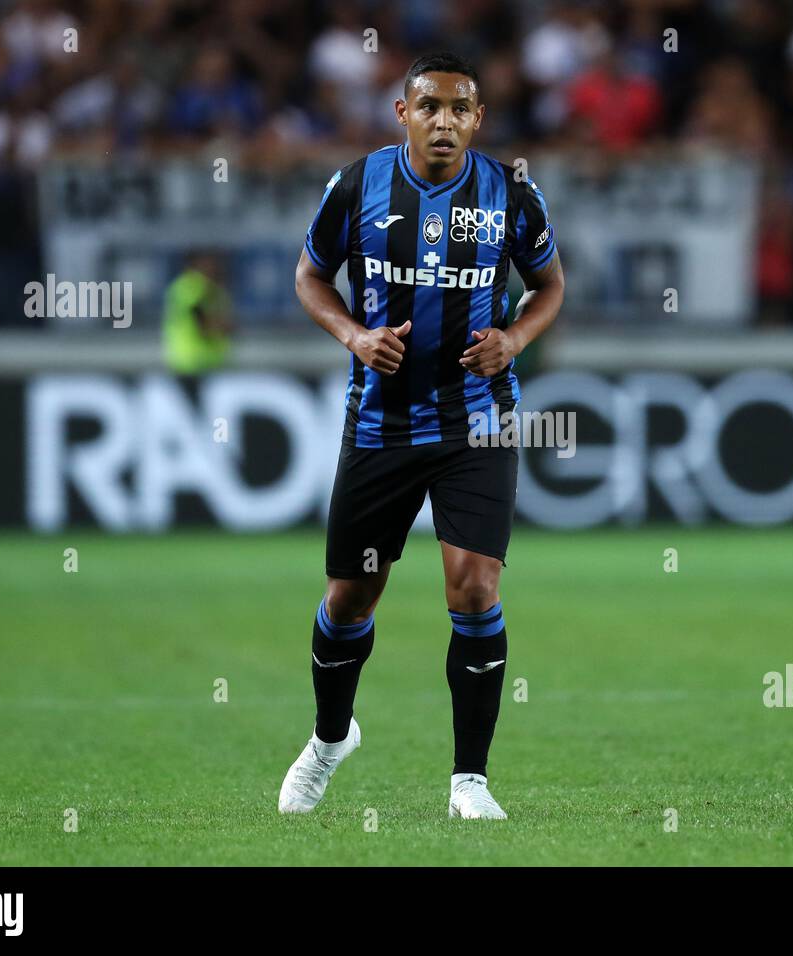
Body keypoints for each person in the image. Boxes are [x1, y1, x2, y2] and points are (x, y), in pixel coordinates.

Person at [283, 51, 565, 820]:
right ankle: (330, 740)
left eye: (461, 109)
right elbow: (309, 276)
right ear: (402, 114)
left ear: (478, 121)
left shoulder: (510, 192)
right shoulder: (355, 186)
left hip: (476, 417)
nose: (446, 121)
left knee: (474, 585)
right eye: (431, 106)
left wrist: (514, 340)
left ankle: (468, 782)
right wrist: (352, 334)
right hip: (382, 420)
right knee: (349, 597)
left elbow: (549, 286)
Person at [162, 252, 233, 374]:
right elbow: (203, 323)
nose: (213, 267)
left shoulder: (191, 287)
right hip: (195, 361)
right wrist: (224, 325)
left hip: (194, 360)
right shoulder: (193, 288)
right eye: (208, 263)